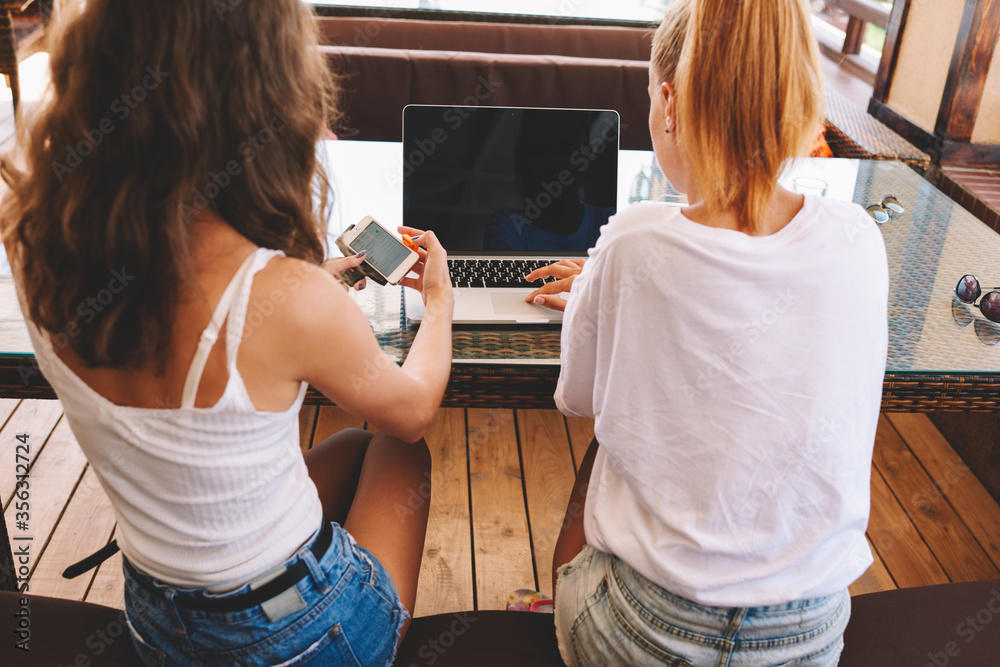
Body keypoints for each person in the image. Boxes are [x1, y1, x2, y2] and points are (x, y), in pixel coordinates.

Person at [0, 1, 453, 665]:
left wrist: (298, 283)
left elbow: (177, 284)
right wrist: (440, 302)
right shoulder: (284, 294)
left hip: (158, 619)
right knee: (398, 451)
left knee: (357, 444)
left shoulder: (33, 239)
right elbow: (412, 412)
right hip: (301, 637)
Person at [526, 1, 888, 665]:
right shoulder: (860, 237)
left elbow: (578, 397)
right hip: (807, 639)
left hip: (644, 635)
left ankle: (557, 606)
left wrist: (603, 288)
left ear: (669, 103)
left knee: (607, 446)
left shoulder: (632, 240)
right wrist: (613, 283)